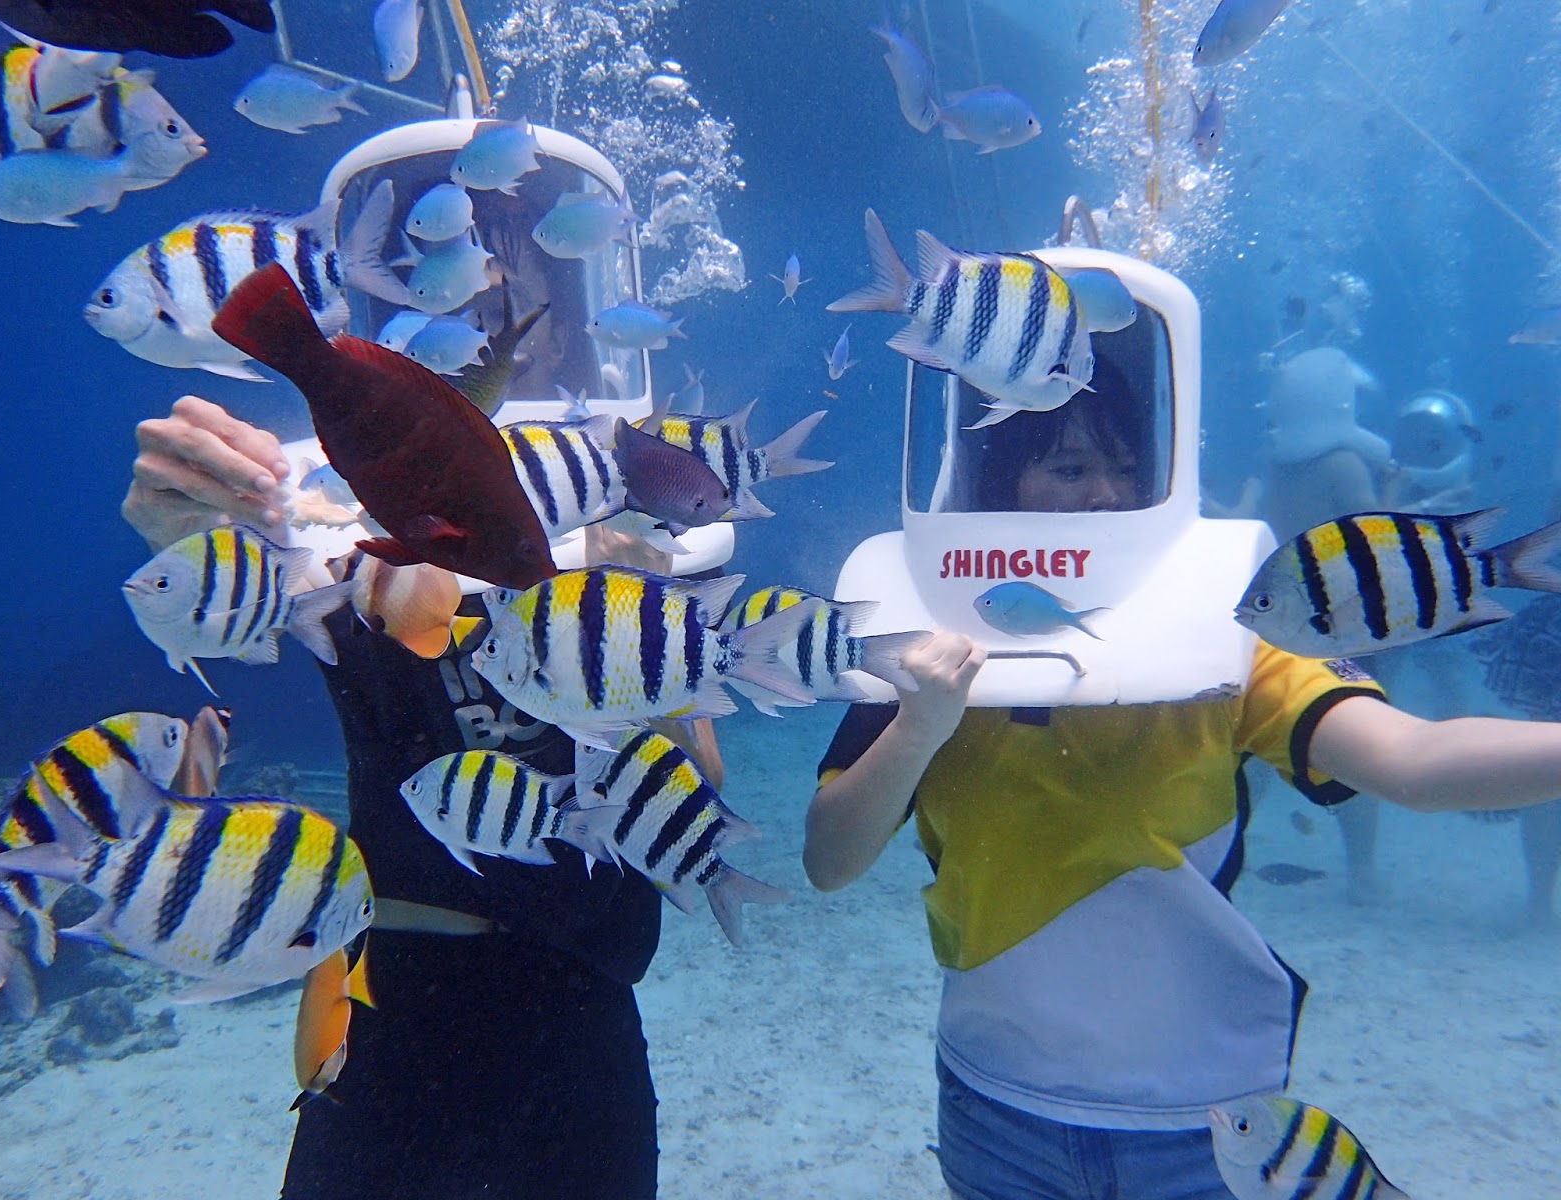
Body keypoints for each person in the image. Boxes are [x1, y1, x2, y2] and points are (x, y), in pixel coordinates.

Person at [802, 276, 1561, 1200]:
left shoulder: (1225, 623)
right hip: (993, 1103)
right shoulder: (924, 622)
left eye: (1127, 468)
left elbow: (1416, 765)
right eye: (1071, 469)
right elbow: (830, 859)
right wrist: (921, 727)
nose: (1106, 494)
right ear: (1003, 478)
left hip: (1204, 1124)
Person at [119, 122, 723, 1200]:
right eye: (453, 310)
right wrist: (194, 548)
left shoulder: (632, 515)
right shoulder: (340, 512)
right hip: (382, 991)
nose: (491, 335)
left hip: (580, 1000)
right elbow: (252, 603)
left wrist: (643, 639)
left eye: (529, 303)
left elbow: (701, 803)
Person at [1256, 346, 1395, 905]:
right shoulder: (1344, 461)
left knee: (1265, 738)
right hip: (1344, 623)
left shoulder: (1280, 464)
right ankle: (1361, 871)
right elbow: (1372, 536)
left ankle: (1228, 840)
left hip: (1286, 627)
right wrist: (1401, 494)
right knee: (1357, 747)